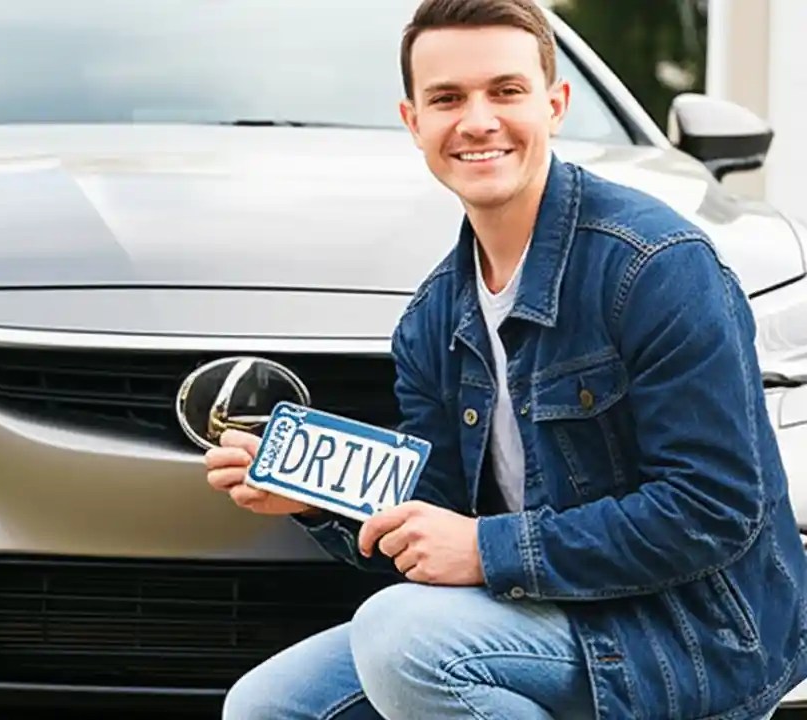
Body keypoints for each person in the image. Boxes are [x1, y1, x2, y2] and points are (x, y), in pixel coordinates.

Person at [203, 0, 807, 718]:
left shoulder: (656, 267)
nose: (478, 120)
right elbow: (442, 510)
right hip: (545, 608)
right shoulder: (433, 318)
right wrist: (317, 498)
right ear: (414, 122)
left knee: (404, 641)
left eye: (506, 91)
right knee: (267, 706)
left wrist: (489, 552)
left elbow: (712, 510)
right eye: (448, 98)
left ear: (554, 105)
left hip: (689, 632)